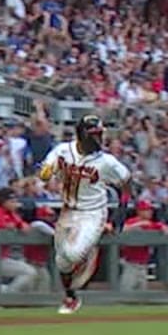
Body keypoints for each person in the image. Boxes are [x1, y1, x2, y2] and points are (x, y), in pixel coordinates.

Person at [36, 114, 131, 314]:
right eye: (94, 135)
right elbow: (45, 170)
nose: (98, 139)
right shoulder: (63, 150)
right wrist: (46, 171)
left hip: (93, 212)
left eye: (100, 134)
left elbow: (126, 185)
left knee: (74, 253)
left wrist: (118, 217)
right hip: (68, 210)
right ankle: (70, 297)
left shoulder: (106, 161)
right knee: (62, 261)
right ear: (82, 134)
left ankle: (91, 249)